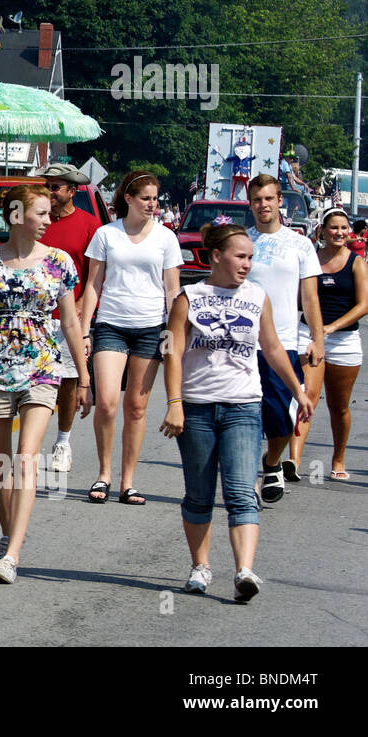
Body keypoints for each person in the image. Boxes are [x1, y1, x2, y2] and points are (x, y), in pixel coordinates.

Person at [160, 222, 313, 601]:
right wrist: (174, 403)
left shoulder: (257, 296)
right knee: (198, 494)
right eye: (240, 257)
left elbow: (273, 348)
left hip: (243, 406)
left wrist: (299, 389)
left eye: (250, 257)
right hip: (196, 408)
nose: (247, 264)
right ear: (217, 257)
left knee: (242, 492)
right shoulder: (189, 297)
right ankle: (201, 566)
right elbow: (172, 352)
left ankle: (244, 570)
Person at [0, 184, 90, 584]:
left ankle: (11, 554)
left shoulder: (60, 263)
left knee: (28, 457)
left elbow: (70, 322)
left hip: (43, 367)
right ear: (16, 215)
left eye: (50, 214)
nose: (49, 221)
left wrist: (83, 377)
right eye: (41, 214)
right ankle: (8, 533)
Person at [79, 170, 182, 505]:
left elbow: (172, 289)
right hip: (111, 323)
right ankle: (103, 474)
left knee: (136, 407)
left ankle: (128, 481)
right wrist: (84, 329)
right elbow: (93, 285)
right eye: (145, 198)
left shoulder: (166, 237)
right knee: (107, 402)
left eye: (155, 199)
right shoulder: (106, 234)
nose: (152, 205)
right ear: (129, 199)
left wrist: (172, 332)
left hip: (151, 326)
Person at [244, 174, 323, 503]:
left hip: (284, 342)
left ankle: (273, 462)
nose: (263, 204)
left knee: (280, 414)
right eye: (257, 199)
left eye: (268, 198)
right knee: (244, 414)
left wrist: (317, 338)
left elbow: (310, 298)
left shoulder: (300, 244)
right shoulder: (241, 242)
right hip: (243, 343)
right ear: (250, 204)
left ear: (280, 202)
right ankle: (246, 480)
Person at [288, 207, 366, 481]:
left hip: (344, 340)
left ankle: (339, 459)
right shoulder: (310, 259)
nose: (340, 233)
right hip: (309, 336)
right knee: (306, 397)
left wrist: (332, 327)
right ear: (322, 230)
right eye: (334, 227)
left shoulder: (356, 262)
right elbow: (298, 297)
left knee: (339, 405)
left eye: (344, 228)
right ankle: (293, 461)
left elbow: (364, 304)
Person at [35, 163, 101, 473]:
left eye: (56, 187)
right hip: (33, 314)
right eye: (47, 185)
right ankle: (30, 444)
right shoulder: (36, 220)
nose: (49, 191)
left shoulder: (89, 225)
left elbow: (94, 278)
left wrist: (80, 309)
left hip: (68, 316)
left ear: (72, 191)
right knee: (31, 379)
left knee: (68, 379)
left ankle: (62, 442)